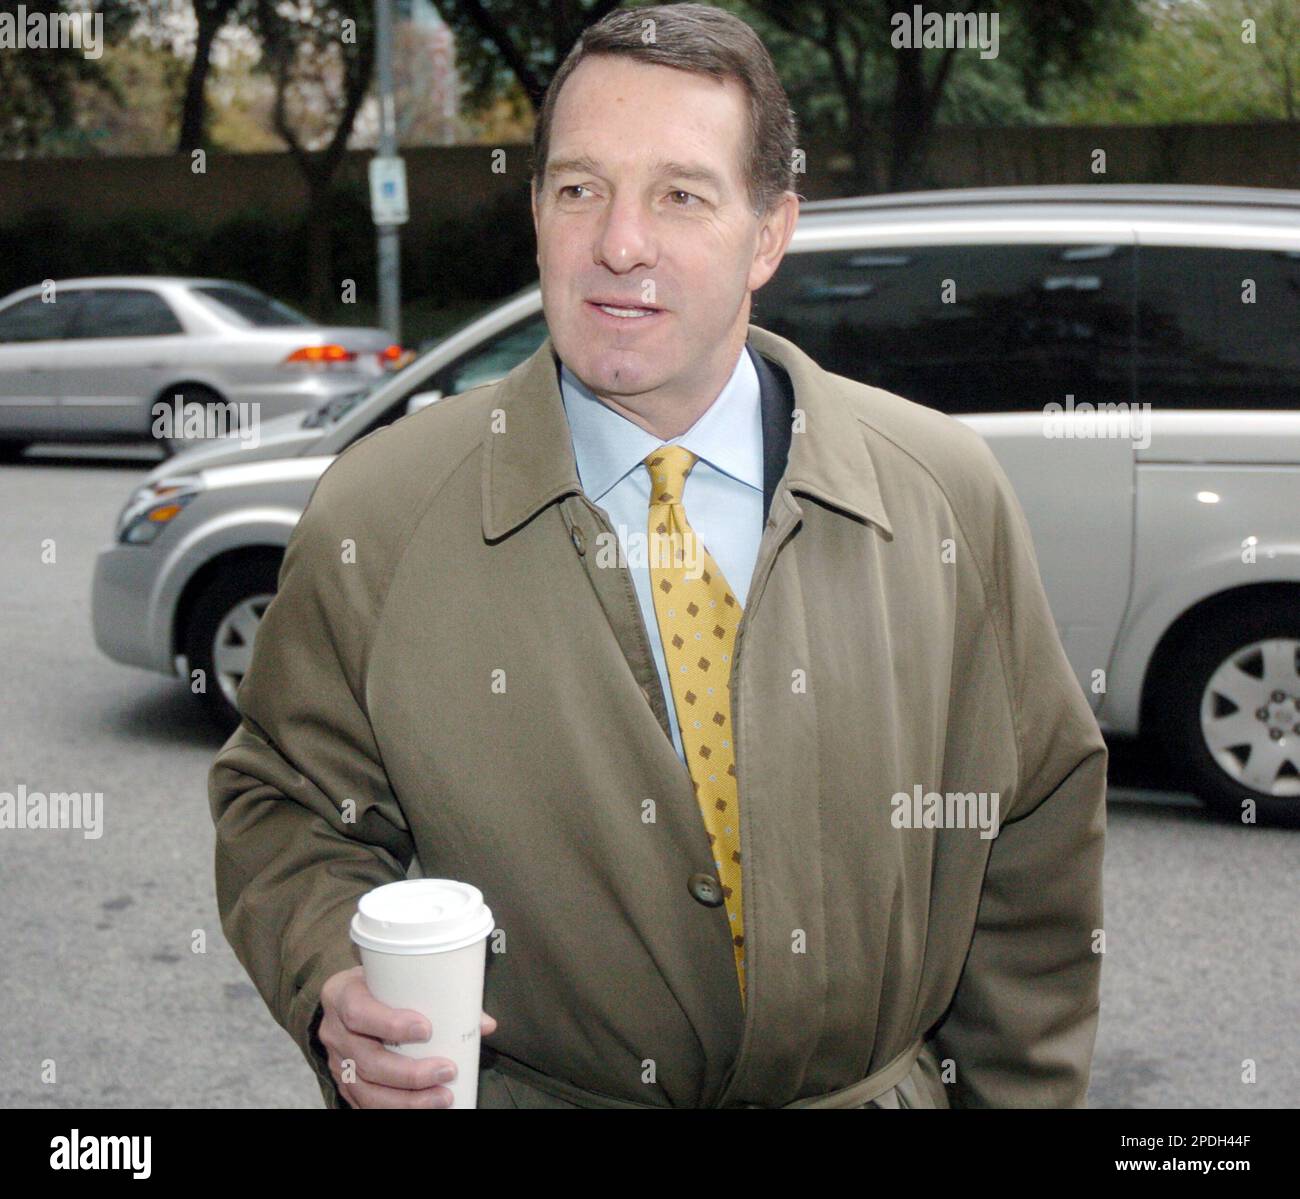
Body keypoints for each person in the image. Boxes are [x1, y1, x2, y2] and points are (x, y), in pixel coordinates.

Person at [209, 3, 1107, 1110]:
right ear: (536, 211)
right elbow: (285, 806)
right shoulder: (379, 512)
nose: (618, 242)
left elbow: (1031, 852)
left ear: (768, 233)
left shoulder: (944, 494)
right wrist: (328, 976)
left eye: (680, 195)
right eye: (580, 188)